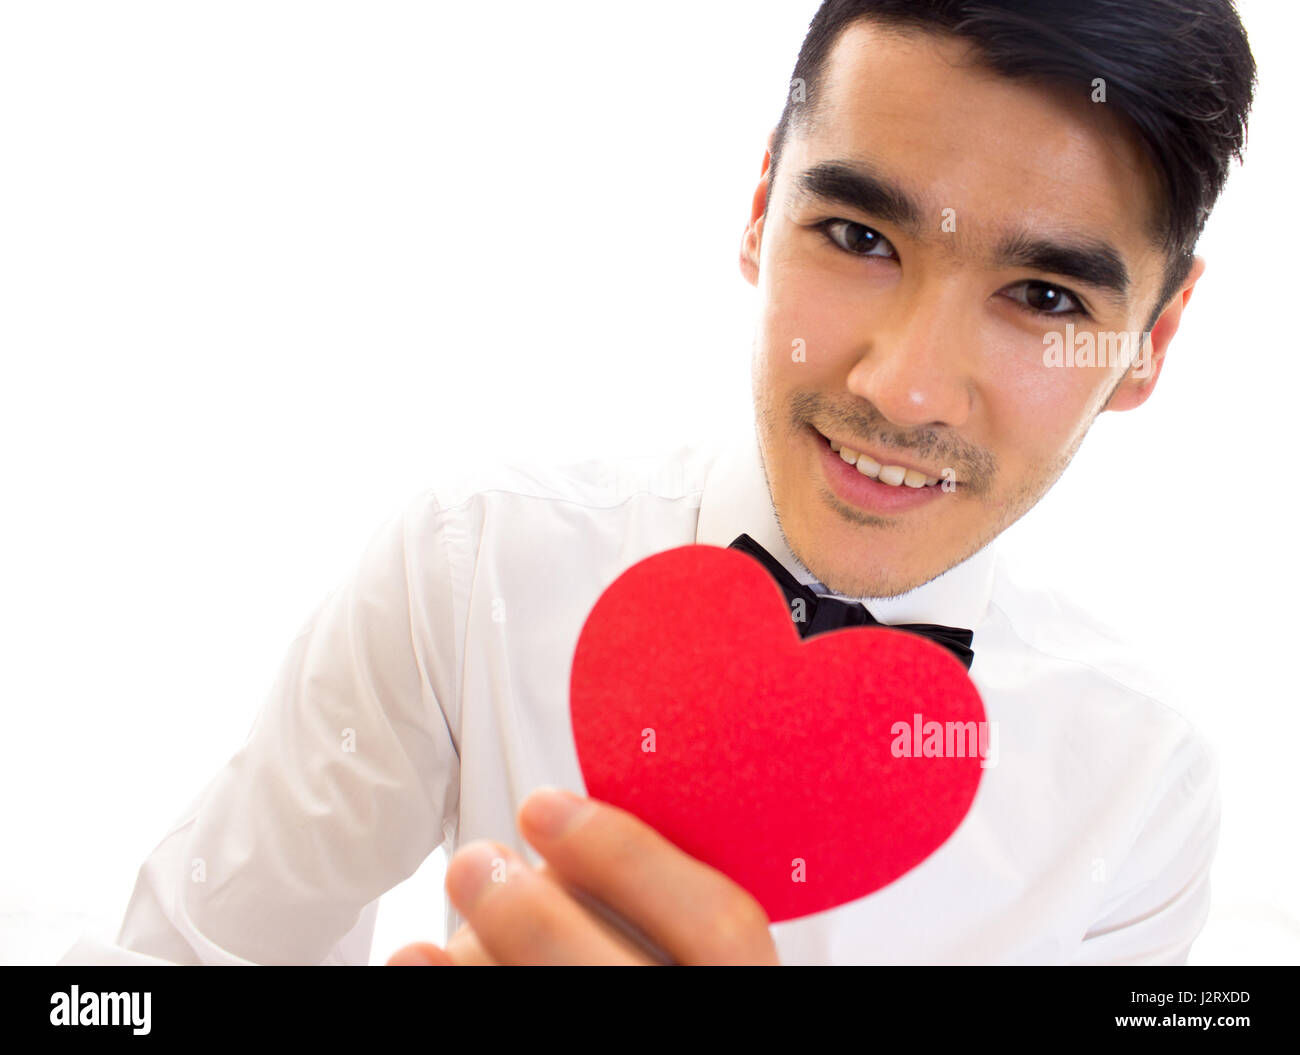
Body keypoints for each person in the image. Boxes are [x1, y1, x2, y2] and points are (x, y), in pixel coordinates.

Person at [59, 0, 1256, 965]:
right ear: (757, 207)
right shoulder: (473, 561)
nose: (904, 389)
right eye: (855, 236)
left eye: (1045, 298)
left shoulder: (1140, 789)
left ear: (1150, 341)